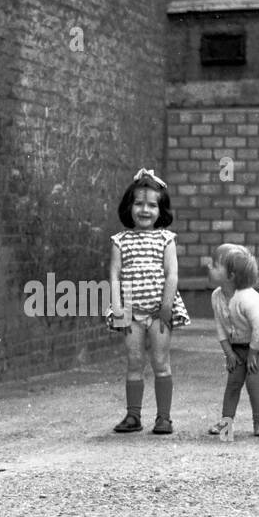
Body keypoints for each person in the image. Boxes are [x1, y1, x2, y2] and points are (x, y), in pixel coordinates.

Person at [106, 168, 190, 434]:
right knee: (133, 362)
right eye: (139, 204)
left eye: (152, 205)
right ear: (128, 207)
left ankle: (163, 417)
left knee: (160, 361)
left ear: (160, 209)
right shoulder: (120, 241)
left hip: (158, 312)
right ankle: (133, 416)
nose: (145, 210)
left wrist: (166, 306)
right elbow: (114, 274)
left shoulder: (166, 239)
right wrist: (118, 308)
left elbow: (172, 273)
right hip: (131, 312)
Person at [206, 243, 259, 439]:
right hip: (237, 343)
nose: (208, 266)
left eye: (214, 264)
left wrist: (253, 353)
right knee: (233, 382)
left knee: (253, 380)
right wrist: (229, 353)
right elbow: (220, 326)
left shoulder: (247, 299)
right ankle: (226, 424)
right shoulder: (216, 296)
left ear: (231, 276)